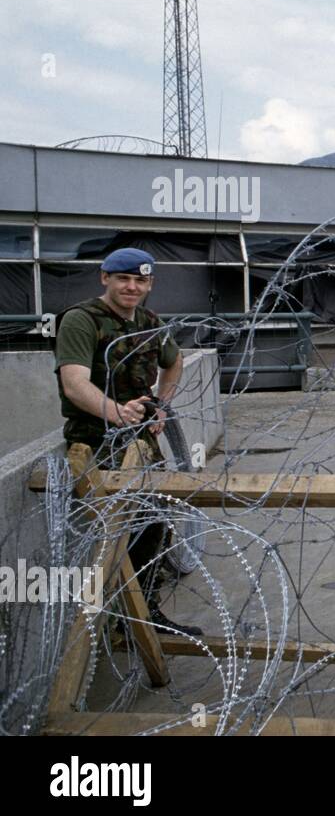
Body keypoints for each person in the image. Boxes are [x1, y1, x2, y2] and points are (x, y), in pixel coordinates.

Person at [54, 247, 201, 637]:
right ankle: (114, 619)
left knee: (152, 524)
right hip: (96, 442)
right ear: (105, 278)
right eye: (123, 279)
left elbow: (174, 361)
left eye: (140, 280)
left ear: (149, 283)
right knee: (116, 531)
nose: (132, 287)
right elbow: (74, 384)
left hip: (142, 443)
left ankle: (142, 613)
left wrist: (162, 406)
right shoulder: (83, 321)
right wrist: (117, 413)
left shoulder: (150, 322)